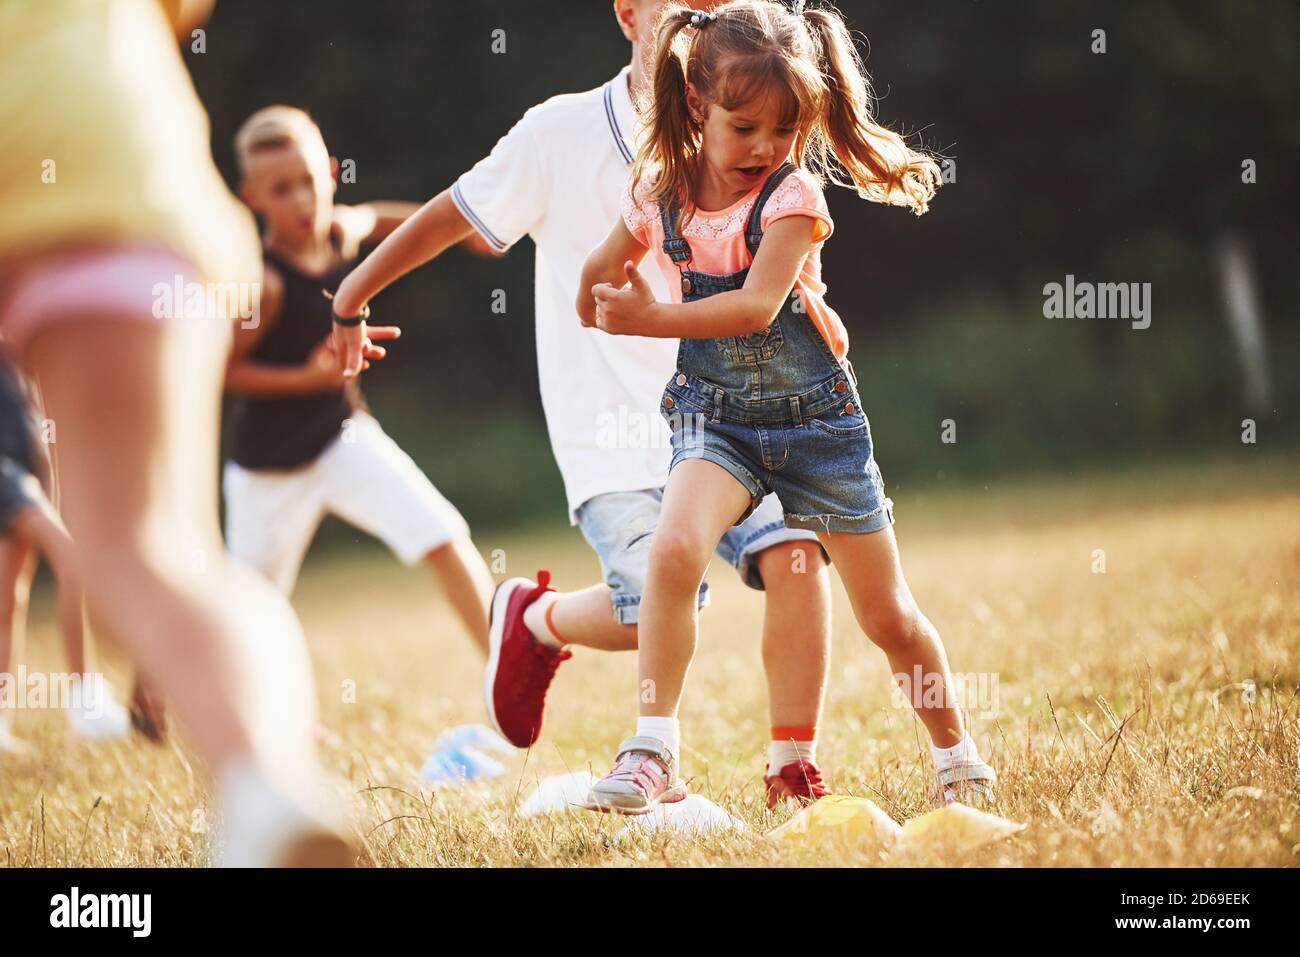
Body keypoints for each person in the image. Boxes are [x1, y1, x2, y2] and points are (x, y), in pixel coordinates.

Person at [330, 0, 836, 806]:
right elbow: (453, 217)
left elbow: (776, 260)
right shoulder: (557, 135)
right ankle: (536, 619)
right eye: (686, 8)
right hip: (614, 431)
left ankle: (791, 769)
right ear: (630, 12)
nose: (704, 20)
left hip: (737, 414)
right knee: (651, 607)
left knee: (798, 555)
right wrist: (351, 295)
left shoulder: (751, 126)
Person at [578, 0, 997, 814]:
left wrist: (651, 316)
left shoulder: (793, 196)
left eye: (785, 128)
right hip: (717, 419)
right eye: (747, 128)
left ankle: (956, 754)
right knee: (671, 552)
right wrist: (603, 298)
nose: (767, 148)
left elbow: (755, 309)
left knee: (889, 616)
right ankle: (652, 747)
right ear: (697, 105)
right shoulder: (659, 193)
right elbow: (596, 279)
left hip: (817, 426)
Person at [0, 0, 351, 864]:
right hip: (151, 175)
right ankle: (271, 786)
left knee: (128, 560)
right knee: (161, 554)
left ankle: (266, 794)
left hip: (46, 180)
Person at [223, 106, 495, 657]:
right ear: (252, 198)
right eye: (281, 190)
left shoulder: (339, 234)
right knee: (248, 615)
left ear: (328, 172)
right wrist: (305, 377)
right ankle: (154, 697)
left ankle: (506, 667)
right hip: (267, 471)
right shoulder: (265, 283)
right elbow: (223, 370)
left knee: (441, 533)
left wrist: (461, 228)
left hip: (342, 435)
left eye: (307, 182)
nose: (301, 201)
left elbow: (372, 216)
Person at [0, 359, 132, 749]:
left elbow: (38, 428)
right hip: (7, 475)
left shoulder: (28, 349)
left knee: (9, 602)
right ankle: (84, 697)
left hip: (26, 472)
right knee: (75, 560)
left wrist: (49, 490)